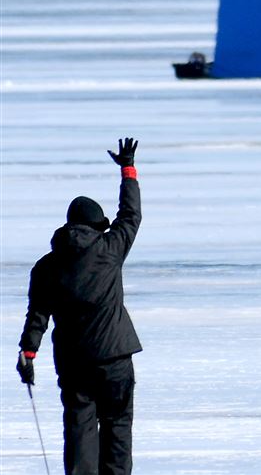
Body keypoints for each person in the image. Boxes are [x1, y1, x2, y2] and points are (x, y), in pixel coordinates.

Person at [17, 138, 142, 475]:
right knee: (117, 427)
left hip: (74, 364)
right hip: (115, 357)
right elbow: (131, 215)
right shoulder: (110, 248)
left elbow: (37, 316)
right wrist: (127, 169)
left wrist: (28, 353)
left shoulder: (46, 266)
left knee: (79, 429)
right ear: (96, 226)